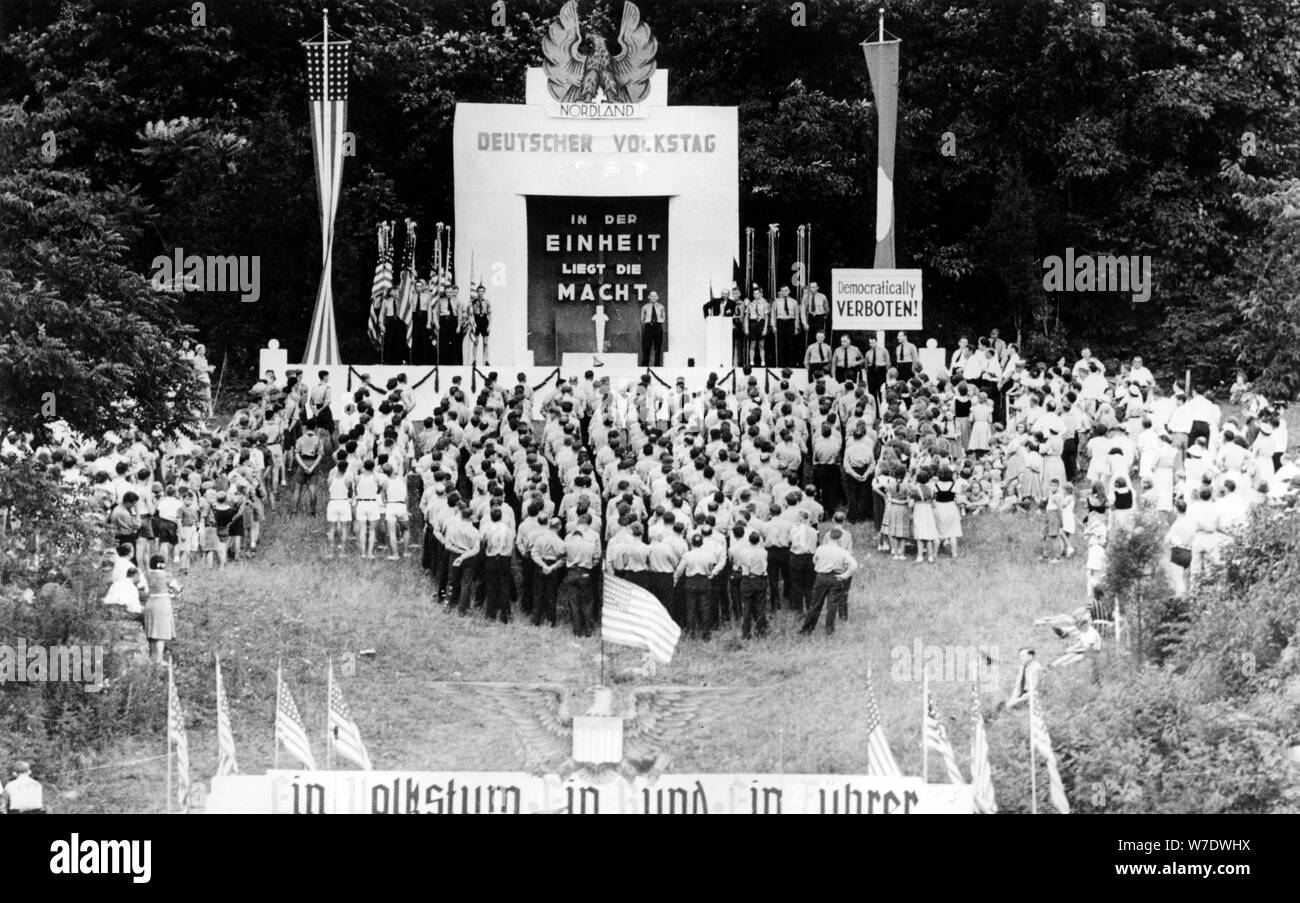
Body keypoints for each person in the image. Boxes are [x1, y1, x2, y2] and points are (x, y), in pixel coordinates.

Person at [799, 529, 858, 635]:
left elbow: (814, 560)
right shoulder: (842, 552)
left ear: (829, 537)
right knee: (832, 605)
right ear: (839, 539)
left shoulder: (820, 549)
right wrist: (844, 575)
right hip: (836, 577)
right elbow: (853, 565)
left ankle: (807, 629)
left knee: (815, 604)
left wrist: (820, 567)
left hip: (821, 577)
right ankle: (829, 630)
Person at [143, 553, 179, 664]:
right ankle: (159, 659)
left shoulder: (147, 575)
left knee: (152, 632)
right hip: (162, 603)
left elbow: (143, 589)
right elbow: (176, 588)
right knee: (161, 634)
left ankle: (153, 657)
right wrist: (174, 592)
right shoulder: (167, 576)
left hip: (150, 602)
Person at [770, 285, 802, 366]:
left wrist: (796, 327)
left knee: (791, 345)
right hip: (780, 322)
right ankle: (781, 364)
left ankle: (790, 364)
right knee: (781, 345)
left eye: (786, 290)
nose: (784, 292)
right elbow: (773, 315)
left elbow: (797, 316)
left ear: (789, 291)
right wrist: (773, 326)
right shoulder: (776, 301)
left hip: (790, 322)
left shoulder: (794, 302)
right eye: (782, 291)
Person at [640, 291, 666, 367]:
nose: (653, 298)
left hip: (657, 326)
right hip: (648, 327)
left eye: (655, 296)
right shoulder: (645, 307)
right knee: (647, 346)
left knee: (658, 346)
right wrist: (647, 324)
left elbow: (663, 317)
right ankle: (645, 363)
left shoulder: (661, 306)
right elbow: (642, 319)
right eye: (652, 296)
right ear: (649, 297)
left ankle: (657, 364)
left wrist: (659, 323)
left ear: (657, 297)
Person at [468, 285, 491, 366]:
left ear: (484, 292)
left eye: (482, 291)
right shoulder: (473, 301)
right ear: (477, 292)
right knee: (476, 342)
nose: (480, 293)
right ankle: (474, 360)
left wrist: (489, 326)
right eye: (479, 291)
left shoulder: (487, 301)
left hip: (484, 320)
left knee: (485, 343)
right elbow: (470, 313)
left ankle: (486, 360)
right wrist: (472, 324)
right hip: (476, 320)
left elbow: (489, 315)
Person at [745, 288, 769, 367]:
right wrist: (746, 328)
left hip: (761, 323)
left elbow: (766, 317)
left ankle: (763, 361)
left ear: (761, 294)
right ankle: (751, 361)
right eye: (754, 294)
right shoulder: (750, 304)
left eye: (758, 293)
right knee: (753, 344)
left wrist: (765, 328)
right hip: (753, 323)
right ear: (753, 295)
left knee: (761, 344)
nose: (756, 295)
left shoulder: (764, 303)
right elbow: (746, 316)